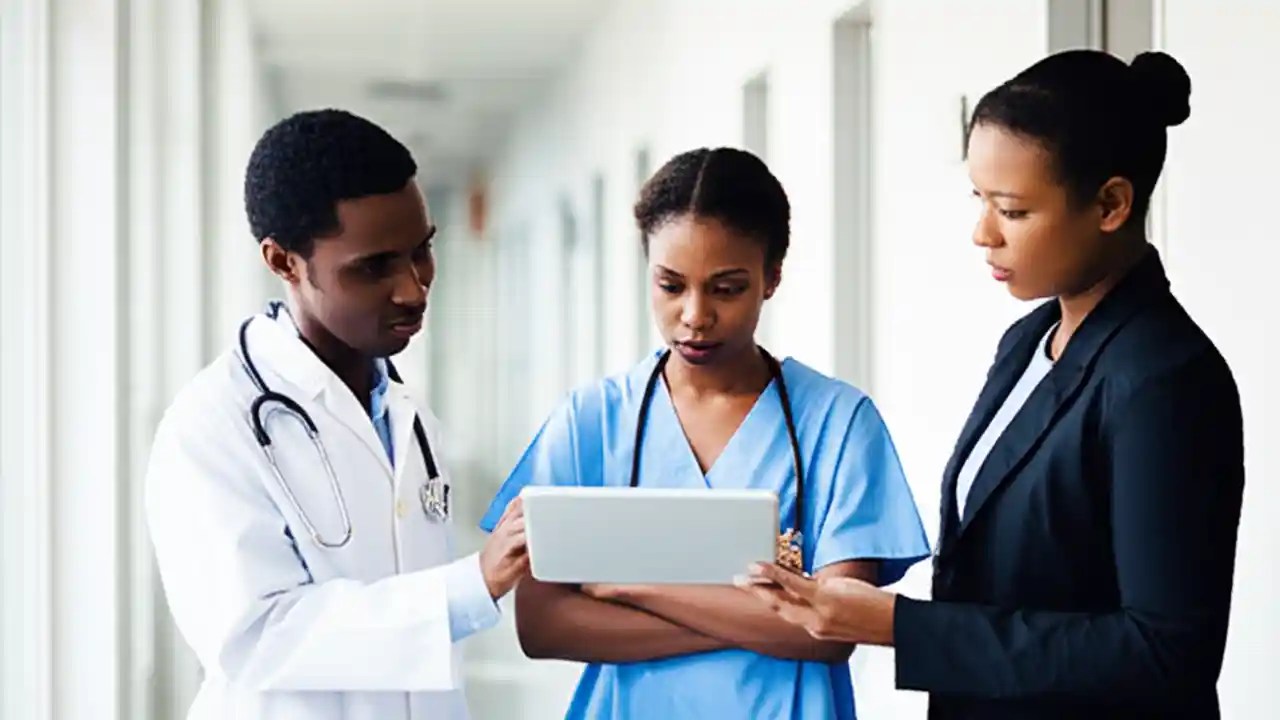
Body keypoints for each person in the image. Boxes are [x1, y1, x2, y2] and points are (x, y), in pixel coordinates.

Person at [743, 50, 1245, 719]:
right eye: (979, 199)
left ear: (1111, 204)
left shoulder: (1165, 378)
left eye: (1010, 210)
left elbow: (1163, 649)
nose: (982, 234)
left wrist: (898, 625)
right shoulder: (1028, 341)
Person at [479, 147, 931, 719]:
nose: (694, 315)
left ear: (772, 277)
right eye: (671, 286)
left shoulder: (837, 423)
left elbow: (831, 631)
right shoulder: (591, 420)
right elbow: (543, 626)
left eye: (726, 288)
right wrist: (762, 619)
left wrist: (630, 586)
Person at [145, 109, 528, 720]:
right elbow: (255, 636)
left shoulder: (403, 411)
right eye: (373, 267)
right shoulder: (211, 427)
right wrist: (470, 584)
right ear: (283, 261)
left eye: (421, 252)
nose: (413, 288)